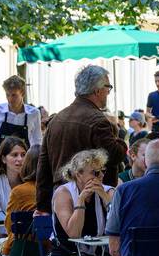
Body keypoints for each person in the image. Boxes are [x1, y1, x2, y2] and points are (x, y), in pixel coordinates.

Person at [34, 65, 128, 213]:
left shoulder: (57, 119)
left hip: (60, 198)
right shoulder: (97, 120)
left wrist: (43, 206)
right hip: (89, 200)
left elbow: (43, 166)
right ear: (97, 90)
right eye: (108, 88)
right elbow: (114, 155)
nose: (108, 93)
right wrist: (121, 141)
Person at [0, 74, 43, 158]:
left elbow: (37, 142)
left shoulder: (34, 113)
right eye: (7, 95)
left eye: (14, 95)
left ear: (22, 93)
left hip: (22, 162)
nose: (10, 99)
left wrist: (31, 159)